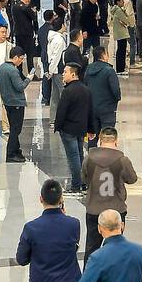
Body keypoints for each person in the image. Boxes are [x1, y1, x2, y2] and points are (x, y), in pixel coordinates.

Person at [81, 126, 137, 257]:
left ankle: (90, 275)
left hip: (94, 208)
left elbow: (84, 178)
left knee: (91, 248)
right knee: (115, 249)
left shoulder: (89, 158)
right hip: (116, 210)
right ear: (116, 141)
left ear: (100, 140)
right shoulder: (123, 160)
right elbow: (132, 179)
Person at [53, 62, 91, 195]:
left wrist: (58, 126)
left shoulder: (68, 91)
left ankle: (75, 186)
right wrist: (90, 128)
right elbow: (90, 111)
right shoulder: (86, 89)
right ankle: (83, 184)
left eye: (65, 72)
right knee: (80, 156)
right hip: (81, 129)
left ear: (73, 74)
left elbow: (61, 111)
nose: (63, 74)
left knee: (73, 157)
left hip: (68, 129)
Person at [84, 45, 121, 145]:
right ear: (104, 55)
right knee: (108, 137)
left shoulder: (88, 69)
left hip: (91, 109)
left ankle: (92, 157)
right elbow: (116, 91)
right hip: (107, 109)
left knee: (92, 138)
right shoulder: (109, 71)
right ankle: (107, 158)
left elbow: (85, 86)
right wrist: (116, 100)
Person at [0, 47, 28, 163]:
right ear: (15, 57)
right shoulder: (13, 70)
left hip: (7, 102)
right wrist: (28, 79)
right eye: (20, 58)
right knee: (16, 129)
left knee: (14, 127)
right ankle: (10, 153)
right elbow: (20, 86)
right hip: (16, 102)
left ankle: (16, 150)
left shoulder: (1, 68)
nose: (21, 61)